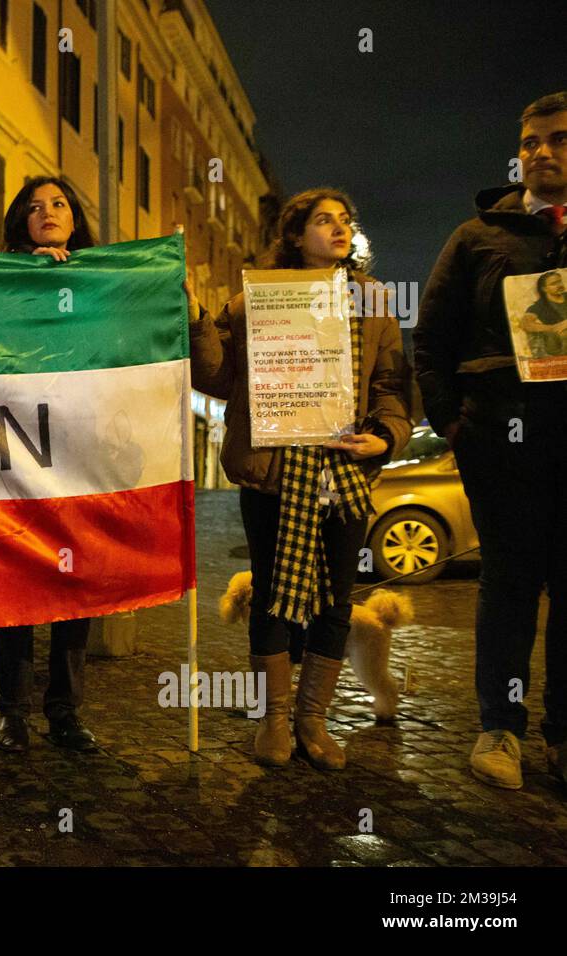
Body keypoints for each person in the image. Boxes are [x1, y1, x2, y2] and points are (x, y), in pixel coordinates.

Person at [190, 188, 411, 770]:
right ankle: (274, 721)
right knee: (271, 595)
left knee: (335, 599)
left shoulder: (374, 303)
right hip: (274, 470)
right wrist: (193, 320)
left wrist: (386, 437)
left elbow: (390, 388)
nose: (338, 229)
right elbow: (216, 374)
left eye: (345, 220)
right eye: (323, 220)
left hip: (343, 471)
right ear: (294, 234)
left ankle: (313, 720)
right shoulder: (254, 300)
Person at [415, 91, 567, 790]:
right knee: (509, 582)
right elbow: (433, 340)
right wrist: (453, 421)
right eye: (531, 140)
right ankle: (499, 729)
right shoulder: (477, 237)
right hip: (503, 437)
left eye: (558, 140)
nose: (540, 152)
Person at [0, 177, 99, 753]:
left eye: (59, 203)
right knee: (15, 588)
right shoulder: (1, 279)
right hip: (12, 450)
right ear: (22, 225)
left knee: (71, 585)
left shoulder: (99, 281)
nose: (47, 213)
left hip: (76, 454)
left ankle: (65, 710)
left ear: (74, 219)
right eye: (34, 208)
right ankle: (12, 710)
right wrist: (27, 278)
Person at [519, 270, 567, 357]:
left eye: (560, 281)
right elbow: (525, 324)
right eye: (554, 284)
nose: (559, 285)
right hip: (559, 344)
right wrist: (553, 328)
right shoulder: (539, 306)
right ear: (544, 289)